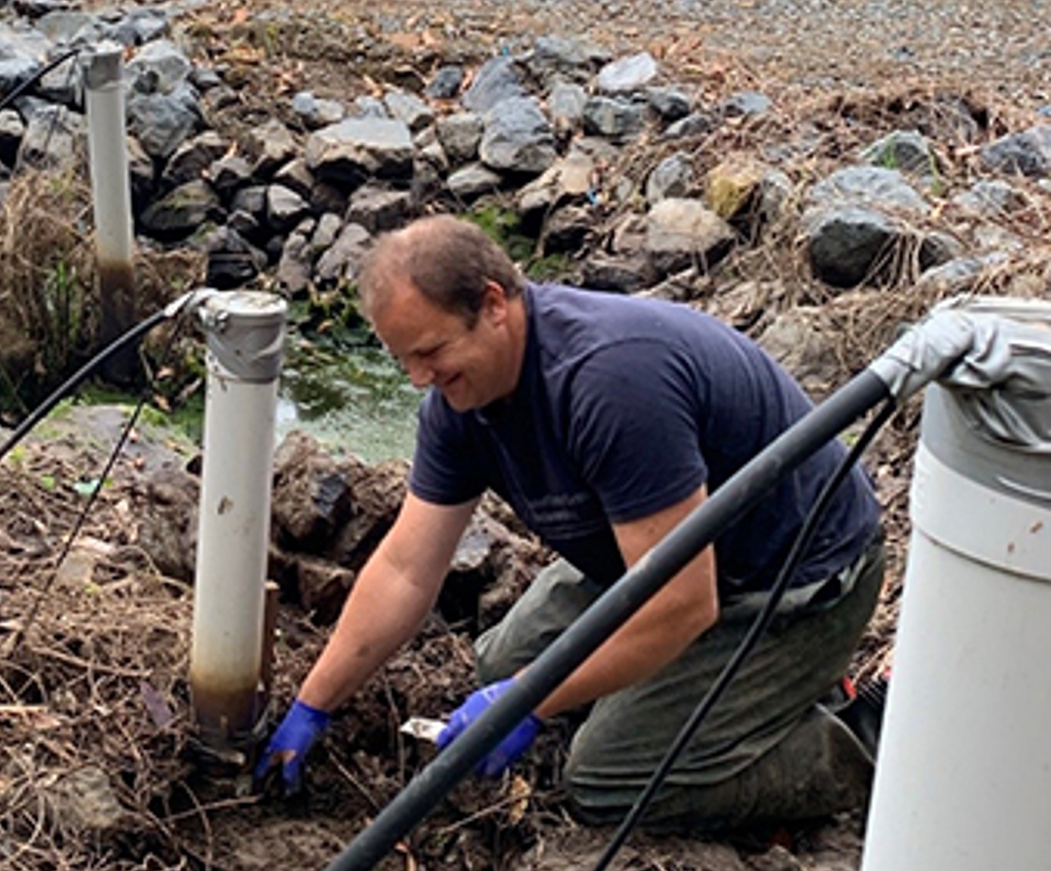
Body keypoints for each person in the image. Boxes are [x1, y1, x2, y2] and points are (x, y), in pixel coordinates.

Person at [255, 215, 885, 832]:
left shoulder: (610, 383)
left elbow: (684, 603)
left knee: (609, 778)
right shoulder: (458, 405)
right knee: (499, 665)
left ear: (494, 304)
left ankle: (857, 736)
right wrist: (313, 704)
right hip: (654, 556)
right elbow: (403, 569)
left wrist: (530, 701)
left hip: (798, 579)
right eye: (404, 362)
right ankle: (731, 702)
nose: (422, 378)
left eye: (432, 352)